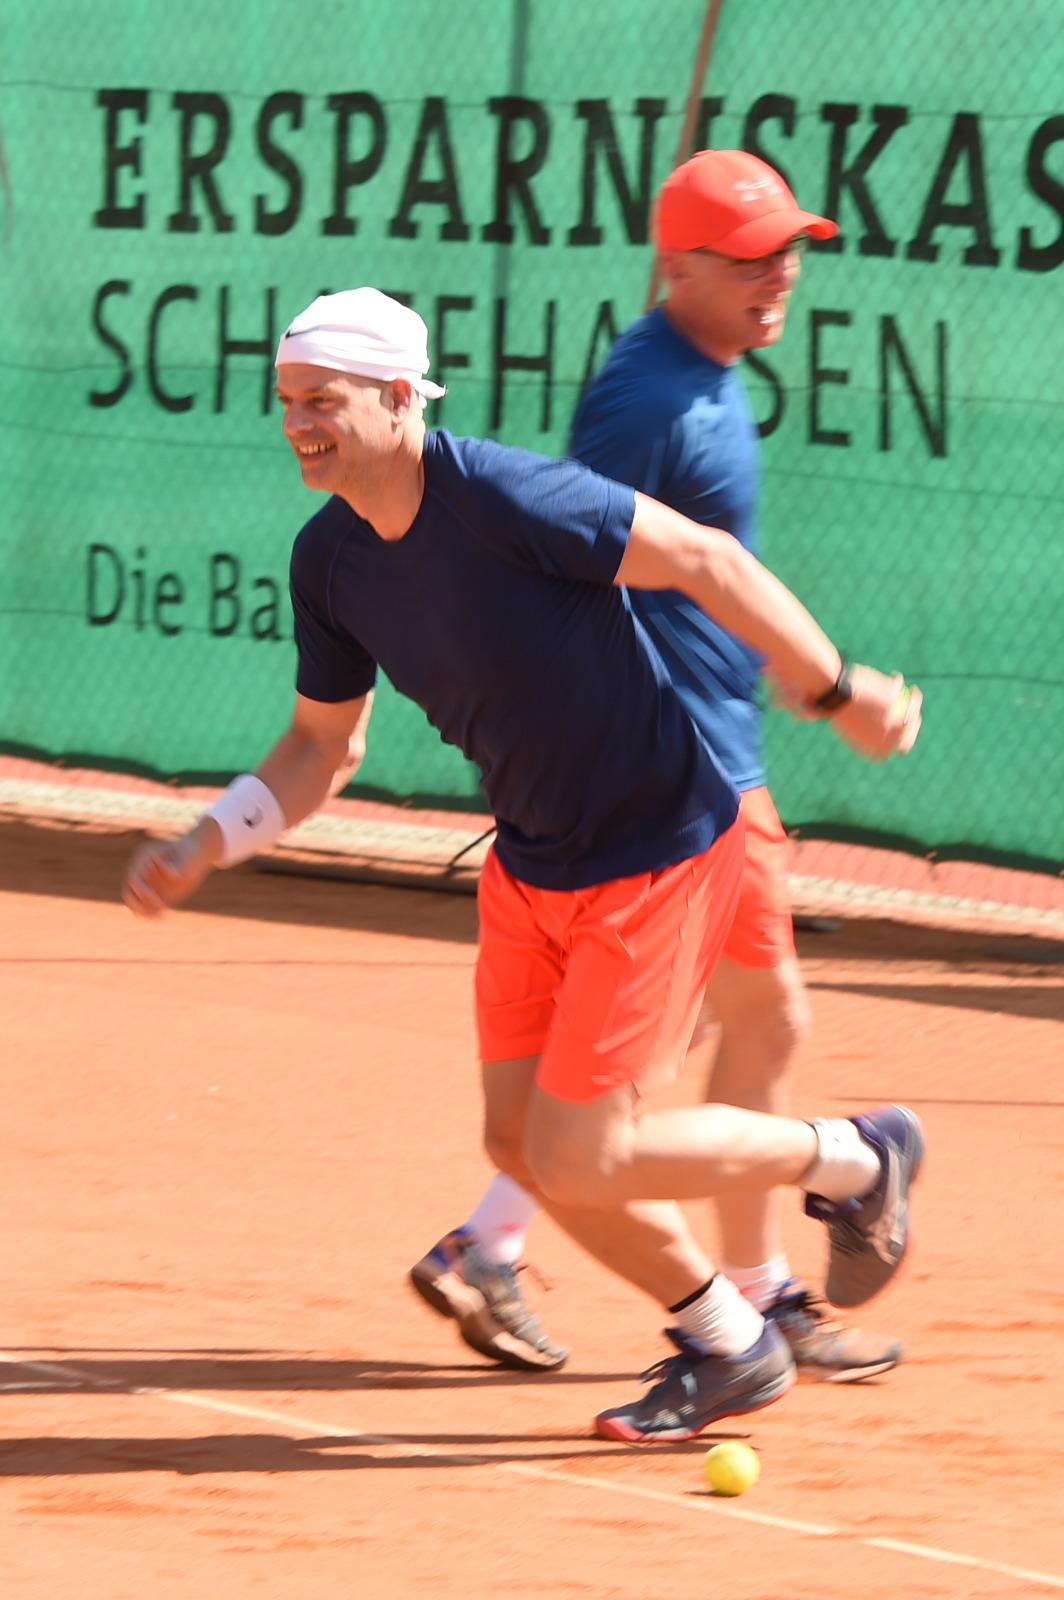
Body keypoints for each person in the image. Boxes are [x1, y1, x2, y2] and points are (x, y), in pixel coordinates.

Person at [122, 281, 925, 1444]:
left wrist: (833, 688)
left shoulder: (497, 492)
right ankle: (728, 1342)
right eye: (287, 399)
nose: (298, 422)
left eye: (324, 400)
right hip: (532, 866)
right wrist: (207, 839)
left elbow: (699, 557)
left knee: (579, 1147)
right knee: (519, 1146)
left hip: (656, 849)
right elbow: (319, 745)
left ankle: (853, 1158)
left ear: (400, 398)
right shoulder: (328, 561)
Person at [410, 149, 905, 1384]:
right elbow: (581, 570)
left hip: (704, 750)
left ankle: (504, 1237)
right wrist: (821, 693)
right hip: (678, 774)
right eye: (749, 257)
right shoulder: (651, 402)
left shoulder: (703, 372)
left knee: (739, 1022)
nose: (778, 272)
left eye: (788, 248)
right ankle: (754, 1282)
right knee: (672, 1051)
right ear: (676, 265)